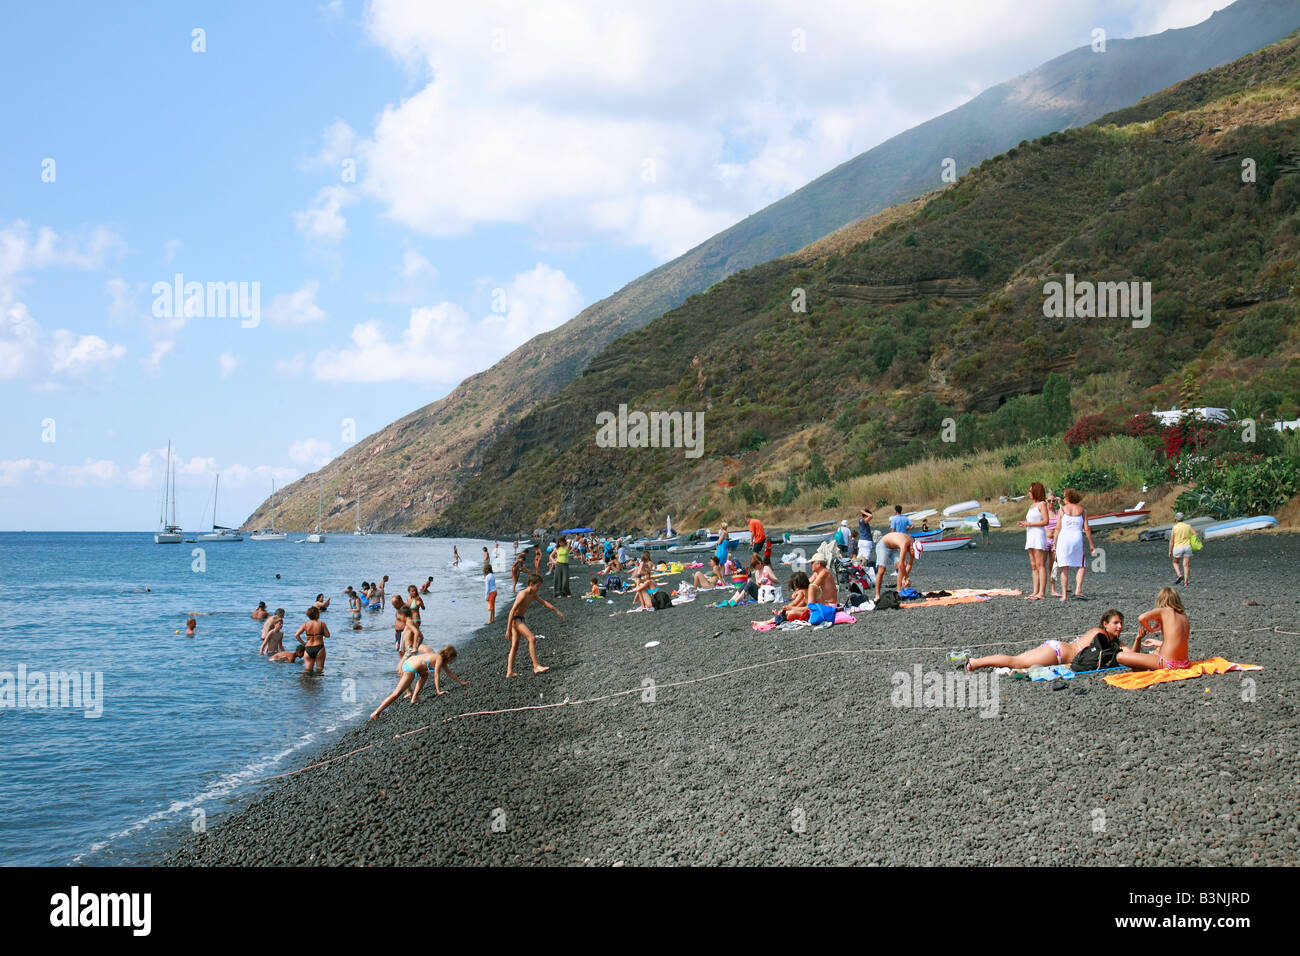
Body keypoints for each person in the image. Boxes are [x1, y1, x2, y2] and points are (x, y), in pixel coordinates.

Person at [966, 610, 1125, 672]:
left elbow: (1130, 653)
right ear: (1105, 624)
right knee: (1016, 662)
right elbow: (1115, 653)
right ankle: (976, 662)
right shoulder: (1099, 634)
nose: (1119, 627)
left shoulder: (1111, 640)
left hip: (1055, 648)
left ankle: (979, 661)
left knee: (1017, 661)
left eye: (1120, 623)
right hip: (1058, 653)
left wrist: (1138, 638)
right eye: (1115, 623)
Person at [370, 644, 468, 720]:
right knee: (396, 693)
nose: (451, 661)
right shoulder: (439, 658)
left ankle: (415, 697)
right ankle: (376, 713)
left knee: (425, 675)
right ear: (449, 657)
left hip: (410, 663)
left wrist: (461, 682)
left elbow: (449, 673)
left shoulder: (438, 657)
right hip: (410, 668)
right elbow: (436, 674)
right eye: (452, 659)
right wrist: (438, 691)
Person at [1117, 588, 1190, 671]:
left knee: (1120, 656)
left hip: (1168, 664)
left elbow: (1141, 618)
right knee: (1156, 651)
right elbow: (1178, 641)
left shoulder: (1163, 611)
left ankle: (1140, 667)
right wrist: (1158, 643)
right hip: (1184, 663)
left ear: (1160, 600)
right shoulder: (1183, 617)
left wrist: (1151, 630)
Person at [505, 574, 563, 677]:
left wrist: (556, 610)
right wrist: (508, 629)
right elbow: (512, 610)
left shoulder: (532, 594)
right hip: (515, 620)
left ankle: (509, 672)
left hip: (519, 619)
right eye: (538, 586)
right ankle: (536, 666)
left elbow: (543, 602)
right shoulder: (523, 594)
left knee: (515, 646)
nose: (538, 588)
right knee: (531, 638)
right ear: (531, 584)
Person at [1054, 489, 1097, 601]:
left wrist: (1054, 543)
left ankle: (1064, 595)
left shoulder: (1062, 510)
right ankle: (1078, 589)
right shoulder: (1082, 510)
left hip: (1064, 539)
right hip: (1076, 538)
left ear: (1068, 497)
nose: (1063, 499)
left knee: (1064, 567)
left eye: (1064, 497)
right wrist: (1091, 544)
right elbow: (1086, 528)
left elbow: (1058, 528)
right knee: (1081, 565)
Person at [1017, 481, 1050, 601]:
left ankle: (1041, 592)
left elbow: (1046, 521)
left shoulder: (1042, 504)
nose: (1029, 493)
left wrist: (1029, 523)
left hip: (1038, 535)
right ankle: (1035, 591)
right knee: (1034, 565)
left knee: (1041, 564)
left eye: (1031, 491)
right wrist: (1025, 524)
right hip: (1030, 535)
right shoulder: (1032, 506)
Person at [874, 531, 916, 599]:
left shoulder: (912, 546)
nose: (910, 553)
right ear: (911, 547)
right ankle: (877, 595)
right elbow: (901, 565)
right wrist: (907, 578)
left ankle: (898, 592)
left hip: (893, 547)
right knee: (881, 569)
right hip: (883, 544)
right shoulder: (905, 543)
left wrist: (905, 578)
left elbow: (909, 564)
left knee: (902, 566)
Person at [293, 606, 329, 672]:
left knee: (308, 670)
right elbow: (328, 635)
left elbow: (296, 635)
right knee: (319, 669)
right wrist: (321, 634)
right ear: (316, 614)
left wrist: (303, 643)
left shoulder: (305, 625)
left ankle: (308, 681)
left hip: (308, 648)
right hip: (319, 647)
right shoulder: (321, 624)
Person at [1169, 512, 1195, 587]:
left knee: (1175, 562)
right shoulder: (1188, 526)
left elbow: (1172, 541)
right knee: (1186, 565)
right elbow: (1195, 534)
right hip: (1187, 547)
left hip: (1178, 547)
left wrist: (1170, 551)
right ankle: (1186, 583)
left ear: (1176, 519)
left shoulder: (1175, 527)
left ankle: (1179, 575)